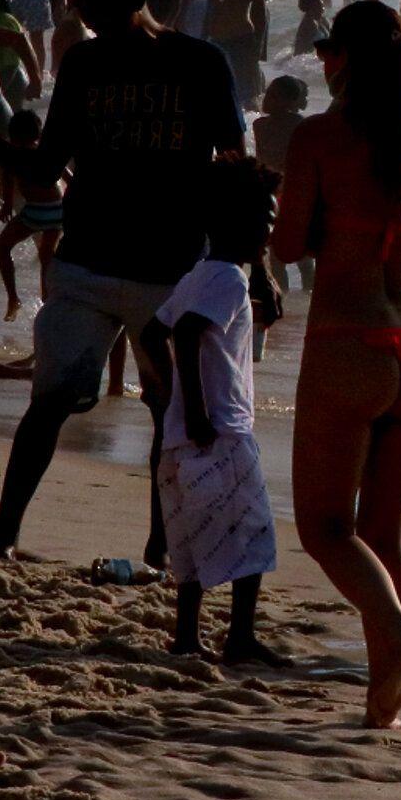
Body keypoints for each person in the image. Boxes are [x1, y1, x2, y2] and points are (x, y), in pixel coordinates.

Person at [0, 0, 245, 563]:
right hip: (86, 265)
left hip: (172, 272)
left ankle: (158, 549)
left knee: (168, 416)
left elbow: (235, 167)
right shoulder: (82, 63)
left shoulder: (201, 63)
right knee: (50, 401)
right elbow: (49, 164)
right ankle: (2, 539)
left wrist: (247, 265)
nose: (79, 9)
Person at [267, 0, 401, 725]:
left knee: (324, 529)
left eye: (326, 50)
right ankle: (386, 704)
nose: (320, 61)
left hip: (349, 338)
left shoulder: (318, 137)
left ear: (342, 59)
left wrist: (327, 234)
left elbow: (283, 248)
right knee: (383, 534)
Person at [141, 160, 281, 664]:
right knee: (254, 531)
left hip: (186, 433)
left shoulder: (198, 274)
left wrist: (165, 392)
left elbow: (153, 332)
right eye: (265, 222)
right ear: (239, 224)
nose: (270, 232)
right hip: (220, 429)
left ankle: (187, 636)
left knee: (189, 541)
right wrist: (196, 410)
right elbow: (184, 331)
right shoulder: (229, 281)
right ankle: (240, 636)